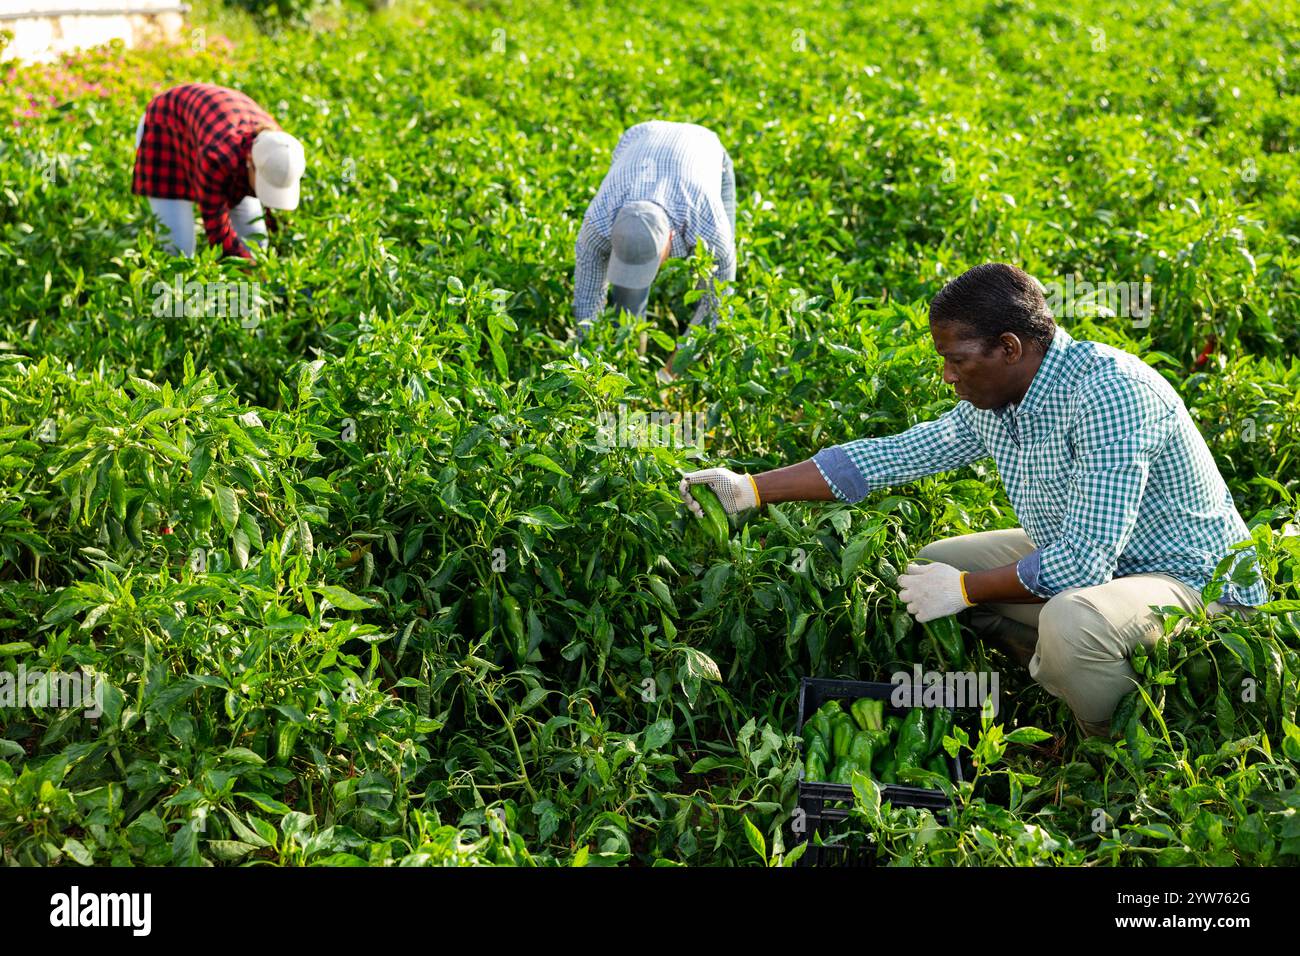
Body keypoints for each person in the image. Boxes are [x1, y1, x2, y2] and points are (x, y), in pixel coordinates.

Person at [680, 263, 1268, 737]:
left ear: (1009, 348)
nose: (946, 375)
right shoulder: (1001, 400)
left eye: (956, 360)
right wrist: (749, 488)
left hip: (1196, 583)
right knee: (938, 562)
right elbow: (893, 455)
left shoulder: (1112, 395)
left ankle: (1119, 748)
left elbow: (1084, 564)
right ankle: (1060, 677)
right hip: (1104, 564)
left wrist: (962, 593)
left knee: (1068, 620)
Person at [572, 121, 736, 366]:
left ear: (670, 239)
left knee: (712, 285)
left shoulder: (708, 224)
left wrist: (671, 371)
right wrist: (596, 365)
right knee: (627, 295)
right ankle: (632, 357)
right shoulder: (598, 221)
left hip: (705, 148)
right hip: (640, 137)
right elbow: (587, 301)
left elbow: (717, 306)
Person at [132, 83, 306, 259]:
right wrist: (249, 268)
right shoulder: (217, 157)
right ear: (250, 162)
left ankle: (245, 284)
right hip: (165, 130)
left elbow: (269, 211)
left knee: (256, 242)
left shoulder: (282, 147)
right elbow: (217, 229)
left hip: (205, 133)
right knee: (178, 251)